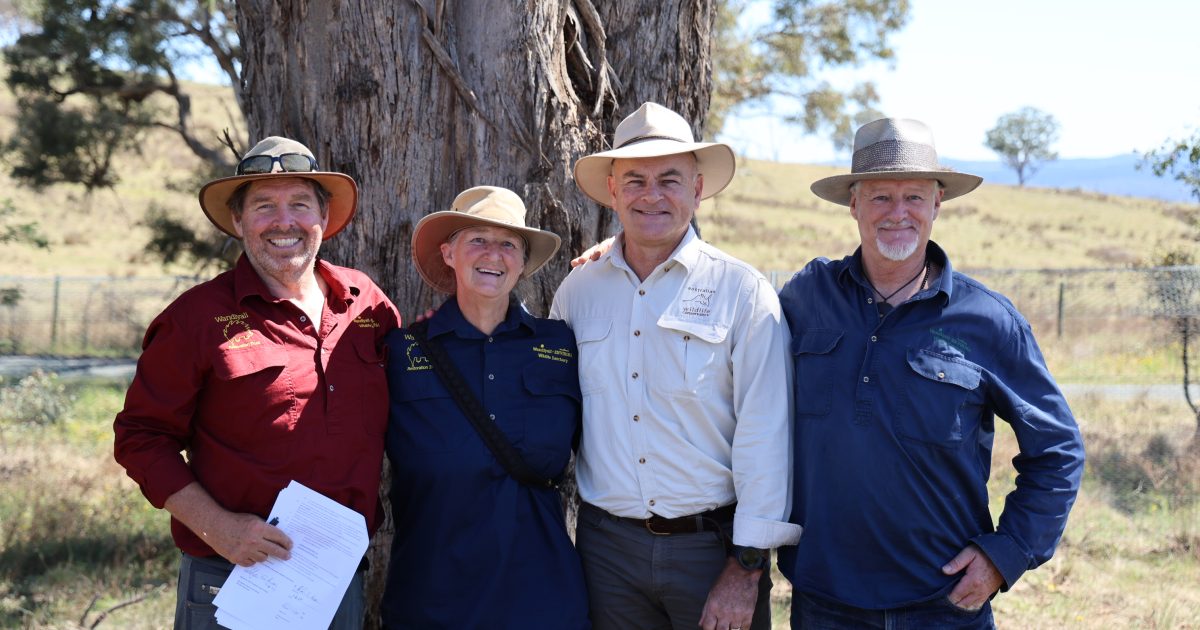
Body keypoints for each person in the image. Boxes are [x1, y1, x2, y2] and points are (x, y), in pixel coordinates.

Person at [776, 118, 1086, 628]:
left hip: (943, 604)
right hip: (826, 601)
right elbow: (730, 324)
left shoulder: (988, 321)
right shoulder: (808, 298)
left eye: (914, 197)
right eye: (880, 197)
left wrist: (1005, 553)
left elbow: (1058, 449)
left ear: (937, 204)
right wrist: (623, 251)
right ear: (853, 204)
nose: (898, 213)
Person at [113, 136, 399, 629]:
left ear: (323, 218)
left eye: (299, 204)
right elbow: (141, 439)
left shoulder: (366, 303)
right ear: (239, 222)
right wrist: (219, 528)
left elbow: (423, 378)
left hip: (336, 581)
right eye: (264, 206)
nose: (283, 221)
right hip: (232, 576)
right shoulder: (196, 318)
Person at [551, 102, 800, 630]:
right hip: (607, 553)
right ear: (613, 190)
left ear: (698, 189)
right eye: (636, 180)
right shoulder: (577, 292)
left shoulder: (743, 293)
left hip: (712, 553)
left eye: (670, 179)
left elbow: (766, 435)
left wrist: (747, 566)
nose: (652, 194)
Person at [381, 186, 588, 628]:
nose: (492, 254)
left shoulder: (561, 344)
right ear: (449, 253)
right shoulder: (400, 352)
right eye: (477, 239)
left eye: (508, 244)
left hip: (542, 596)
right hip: (432, 597)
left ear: (522, 263)